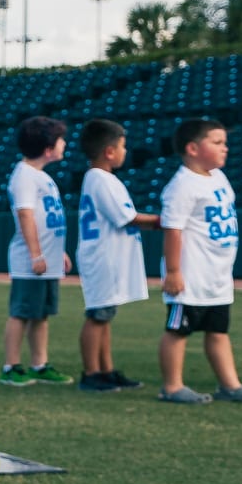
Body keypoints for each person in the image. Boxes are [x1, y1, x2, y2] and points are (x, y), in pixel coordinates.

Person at [157, 118, 242, 404]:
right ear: (193, 148)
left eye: (224, 143)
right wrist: (173, 271)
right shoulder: (182, 185)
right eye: (217, 143)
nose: (225, 149)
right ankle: (171, 386)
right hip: (191, 275)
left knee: (218, 331)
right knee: (178, 330)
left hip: (216, 275)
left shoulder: (218, 177)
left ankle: (230, 384)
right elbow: (173, 230)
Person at [74, 119, 158, 392]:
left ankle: (105, 369)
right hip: (103, 256)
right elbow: (128, 218)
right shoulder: (102, 179)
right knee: (98, 314)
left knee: (105, 314)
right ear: (109, 151)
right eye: (122, 146)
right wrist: (164, 220)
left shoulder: (99, 178)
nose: (125, 151)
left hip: (106, 255)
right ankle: (91, 373)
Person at [1, 116, 71, 386]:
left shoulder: (41, 176)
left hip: (47, 258)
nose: (64, 144)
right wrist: (36, 254)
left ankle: (39, 364)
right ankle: (11, 366)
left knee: (41, 314)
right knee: (21, 312)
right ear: (47, 148)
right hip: (32, 261)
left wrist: (57, 253)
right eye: (60, 140)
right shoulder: (24, 176)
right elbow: (26, 216)